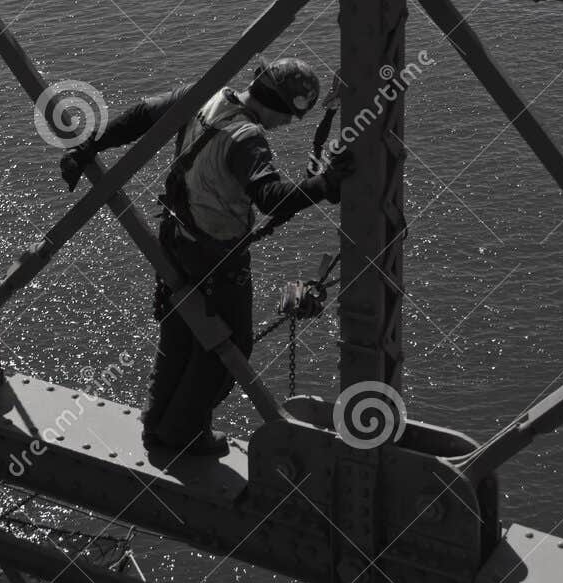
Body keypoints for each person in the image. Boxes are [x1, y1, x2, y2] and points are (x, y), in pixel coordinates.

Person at [61, 58, 354, 458]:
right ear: (278, 103)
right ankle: (183, 434)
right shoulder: (246, 137)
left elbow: (142, 117)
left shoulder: (204, 98)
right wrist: (324, 185)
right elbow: (271, 199)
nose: (287, 125)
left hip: (175, 240)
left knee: (180, 333)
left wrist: (88, 146)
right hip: (216, 259)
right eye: (289, 115)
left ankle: (157, 425)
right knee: (226, 349)